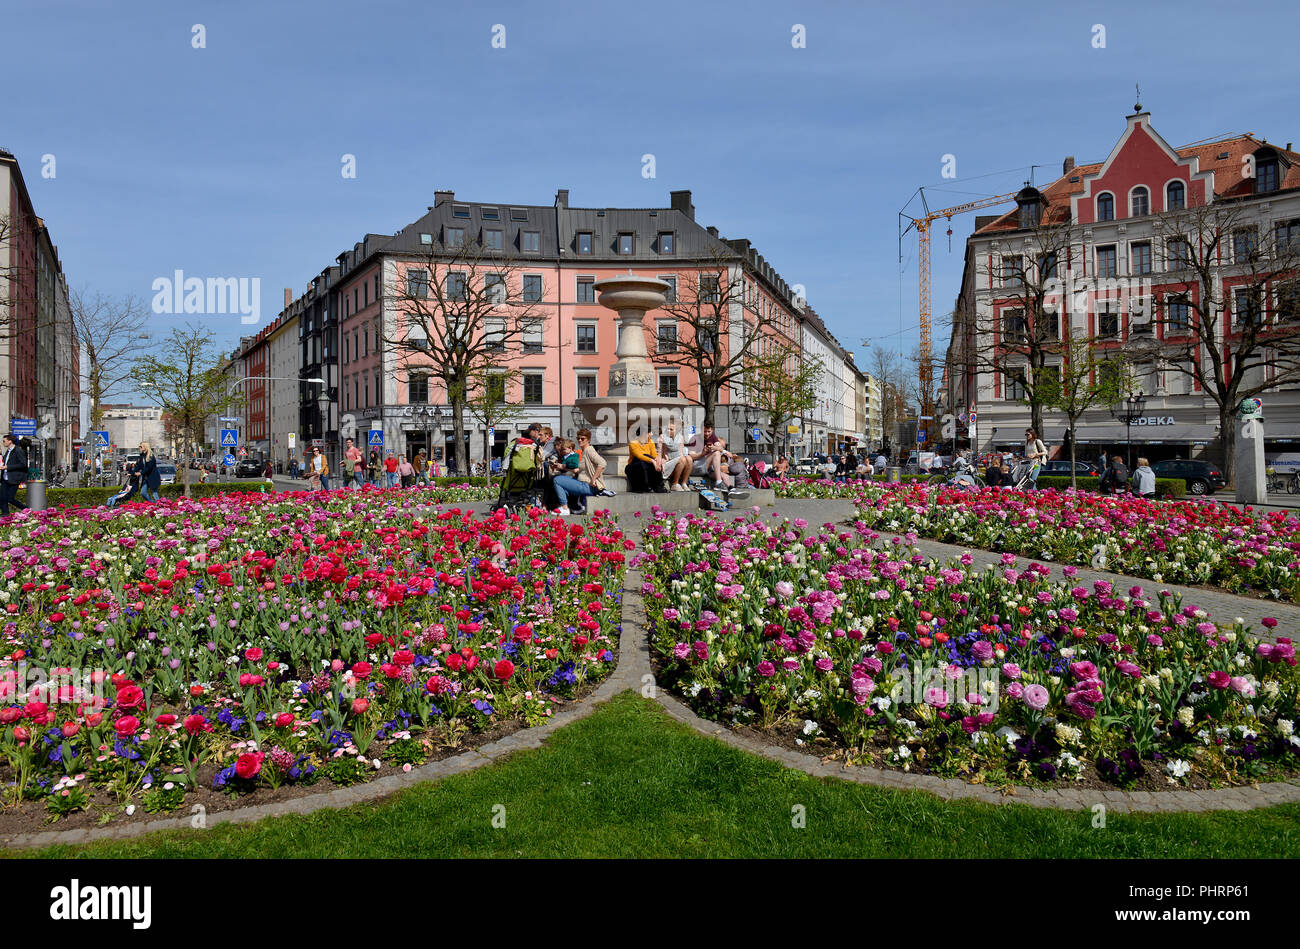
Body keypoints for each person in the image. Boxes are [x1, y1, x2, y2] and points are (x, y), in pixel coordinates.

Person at [553, 428, 615, 515]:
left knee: (557, 480)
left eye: (583, 439)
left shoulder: (589, 450)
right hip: (585, 484)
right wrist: (563, 467)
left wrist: (594, 479)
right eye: (578, 438)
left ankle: (564, 508)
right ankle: (567, 505)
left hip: (589, 486)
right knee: (561, 480)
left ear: (588, 440)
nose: (580, 440)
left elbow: (602, 463)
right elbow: (577, 470)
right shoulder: (584, 451)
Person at [685, 423, 730, 490]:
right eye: (705, 431)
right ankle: (718, 483)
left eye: (709, 431)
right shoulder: (694, 438)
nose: (707, 434)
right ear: (701, 430)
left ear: (712, 431)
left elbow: (721, 448)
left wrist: (713, 447)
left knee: (725, 476)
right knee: (716, 453)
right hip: (696, 467)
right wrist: (702, 453)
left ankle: (730, 490)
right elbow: (691, 456)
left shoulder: (713, 437)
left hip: (707, 469)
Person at [0, 434, 29, 515]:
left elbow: (23, 464)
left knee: (10, 498)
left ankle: (26, 509)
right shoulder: (8, 451)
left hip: (14, 478)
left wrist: (7, 467)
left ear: (10, 441)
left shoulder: (18, 451)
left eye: (4, 441)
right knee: (2, 498)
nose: (3, 443)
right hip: (5, 478)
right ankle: (5, 514)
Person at [659, 418, 690, 491]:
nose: (668, 431)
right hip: (666, 463)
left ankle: (684, 483)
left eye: (671, 429)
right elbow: (659, 453)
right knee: (682, 459)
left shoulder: (680, 437)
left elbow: (681, 453)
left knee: (689, 459)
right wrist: (661, 462)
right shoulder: (662, 437)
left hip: (678, 462)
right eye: (668, 429)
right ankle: (675, 484)